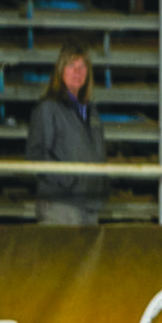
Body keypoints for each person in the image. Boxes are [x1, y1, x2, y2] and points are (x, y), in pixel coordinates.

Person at [25, 42, 108, 225]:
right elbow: (37, 155)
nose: (78, 72)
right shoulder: (48, 108)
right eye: (72, 65)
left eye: (82, 66)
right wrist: (70, 181)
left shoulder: (92, 113)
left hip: (89, 204)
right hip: (60, 204)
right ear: (61, 70)